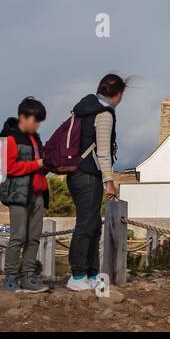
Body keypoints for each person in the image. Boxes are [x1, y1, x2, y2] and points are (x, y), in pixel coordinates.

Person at [66, 73, 126, 291]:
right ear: (117, 94)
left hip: (75, 174)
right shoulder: (104, 114)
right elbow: (103, 151)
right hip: (89, 174)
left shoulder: (83, 108)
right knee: (86, 225)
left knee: (91, 224)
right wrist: (109, 181)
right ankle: (77, 276)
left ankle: (91, 274)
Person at [0, 96, 51, 293]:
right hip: (19, 195)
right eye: (35, 120)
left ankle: (29, 276)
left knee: (34, 237)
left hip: (37, 193)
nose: (38, 125)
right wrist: (36, 164)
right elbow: (8, 167)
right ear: (23, 117)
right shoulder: (9, 138)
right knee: (18, 237)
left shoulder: (35, 138)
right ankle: (10, 277)